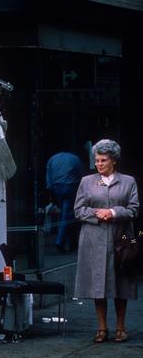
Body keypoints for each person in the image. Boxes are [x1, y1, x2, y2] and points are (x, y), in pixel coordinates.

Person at [73, 139, 139, 343]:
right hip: (94, 239)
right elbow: (78, 210)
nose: (99, 164)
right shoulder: (87, 182)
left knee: (122, 283)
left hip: (121, 239)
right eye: (97, 160)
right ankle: (102, 327)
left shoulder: (128, 181)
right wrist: (97, 213)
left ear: (114, 161)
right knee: (97, 284)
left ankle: (121, 326)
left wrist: (112, 212)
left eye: (103, 160)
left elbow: (134, 209)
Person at [46, 150, 84, 252]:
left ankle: (66, 240)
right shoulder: (75, 158)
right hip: (70, 186)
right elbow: (81, 174)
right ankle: (61, 241)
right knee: (67, 215)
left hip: (57, 187)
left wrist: (51, 190)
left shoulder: (52, 159)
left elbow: (48, 177)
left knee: (65, 214)